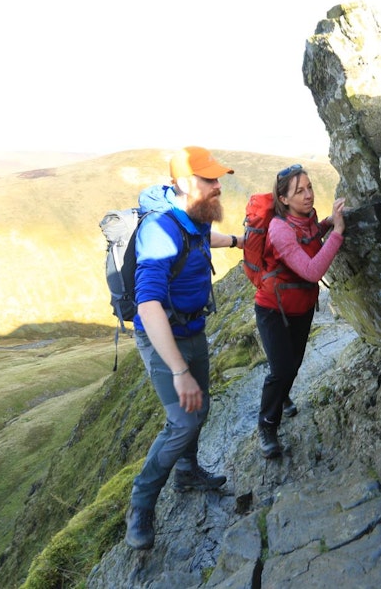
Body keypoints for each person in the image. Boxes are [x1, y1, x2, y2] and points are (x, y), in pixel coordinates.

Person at [124, 146, 245, 551]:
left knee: (202, 406)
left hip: (192, 327)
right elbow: (148, 304)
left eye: (217, 180)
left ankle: (188, 471)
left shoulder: (189, 219)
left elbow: (200, 236)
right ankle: (141, 504)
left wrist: (237, 241)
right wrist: (179, 371)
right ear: (184, 183)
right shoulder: (158, 229)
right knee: (183, 422)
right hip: (163, 337)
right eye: (210, 181)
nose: (217, 188)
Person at [255, 164, 345, 459]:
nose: (308, 195)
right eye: (299, 191)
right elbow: (311, 270)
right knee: (280, 369)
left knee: (292, 365)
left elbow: (309, 237)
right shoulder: (279, 229)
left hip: (302, 307)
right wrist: (339, 233)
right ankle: (267, 425)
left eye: (309, 188)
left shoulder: (307, 218)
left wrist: (329, 222)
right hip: (273, 309)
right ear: (283, 199)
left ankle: (282, 398)